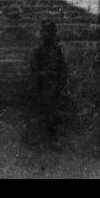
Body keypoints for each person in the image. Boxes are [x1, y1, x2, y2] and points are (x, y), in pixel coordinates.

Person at [29, 20, 69, 148]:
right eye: (45, 32)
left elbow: (62, 67)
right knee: (42, 113)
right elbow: (34, 67)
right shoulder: (38, 51)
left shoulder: (57, 50)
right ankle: (40, 140)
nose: (47, 34)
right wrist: (42, 75)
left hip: (54, 85)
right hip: (42, 86)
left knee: (55, 113)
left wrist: (61, 82)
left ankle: (54, 140)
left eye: (50, 32)